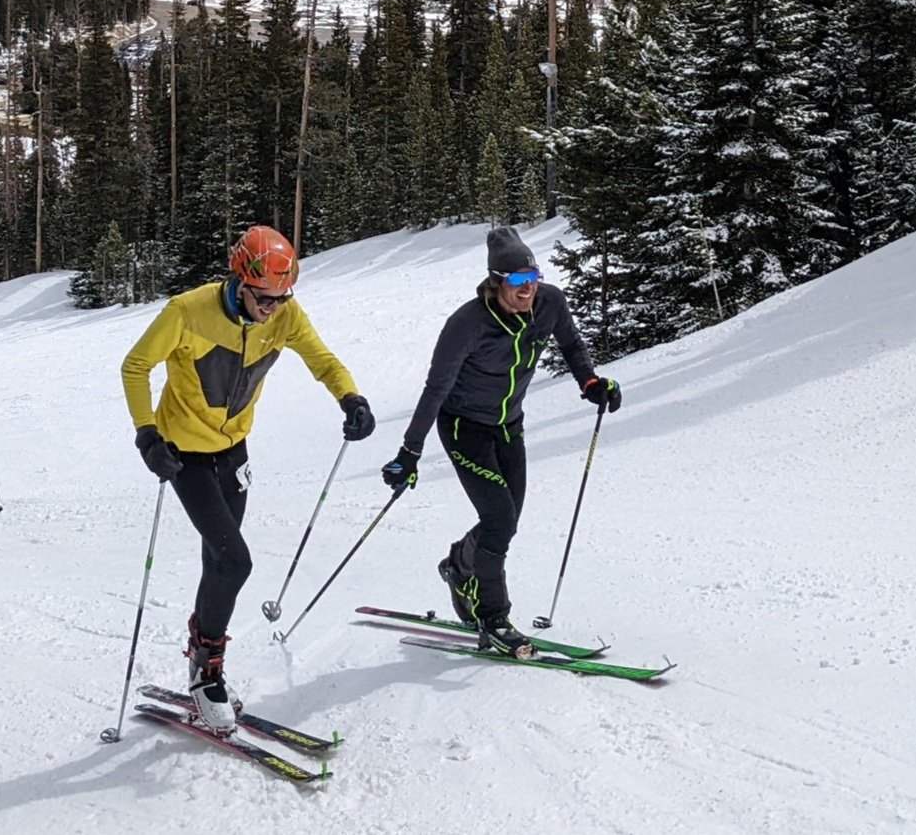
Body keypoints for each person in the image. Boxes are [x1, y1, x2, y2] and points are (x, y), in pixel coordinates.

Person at [121, 224, 374, 732]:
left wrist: (351, 397)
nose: (274, 308)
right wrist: (148, 436)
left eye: (283, 298)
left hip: (234, 451)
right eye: (265, 298)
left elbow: (322, 360)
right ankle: (207, 674)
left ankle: (202, 659)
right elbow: (136, 366)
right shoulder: (186, 311)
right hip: (183, 454)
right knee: (235, 561)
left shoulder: (285, 315)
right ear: (240, 279)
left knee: (219, 562)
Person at [380, 226, 623, 658]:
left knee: (506, 521)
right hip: (463, 428)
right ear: (495, 282)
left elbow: (571, 343)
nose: (526, 288)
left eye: (532, 277)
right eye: (515, 281)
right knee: (499, 519)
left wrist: (590, 382)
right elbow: (435, 389)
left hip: (510, 425)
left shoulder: (550, 303)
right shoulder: (467, 324)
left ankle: (460, 566)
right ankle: (494, 617)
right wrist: (409, 452)